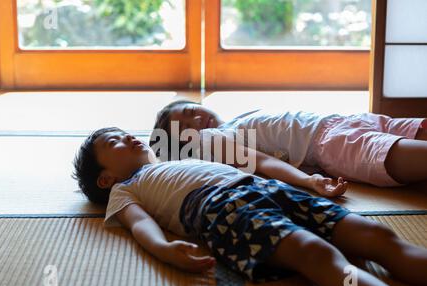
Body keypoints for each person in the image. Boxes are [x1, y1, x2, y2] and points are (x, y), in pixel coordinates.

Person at [72, 127, 427, 286]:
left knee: (375, 236)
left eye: (122, 133)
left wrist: (310, 182)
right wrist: (164, 249)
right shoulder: (124, 189)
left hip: (267, 190)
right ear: (105, 178)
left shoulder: (178, 160)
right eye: (113, 142)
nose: (127, 137)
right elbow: (140, 224)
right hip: (222, 208)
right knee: (314, 254)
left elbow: (261, 163)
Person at [150, 100, 427, 187]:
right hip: (334, 143)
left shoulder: (234, 121)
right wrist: (309, 182)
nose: (197, 120)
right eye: (186, 128)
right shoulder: (213, 142)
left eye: (192, 111)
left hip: (347, 120)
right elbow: (263, 162)